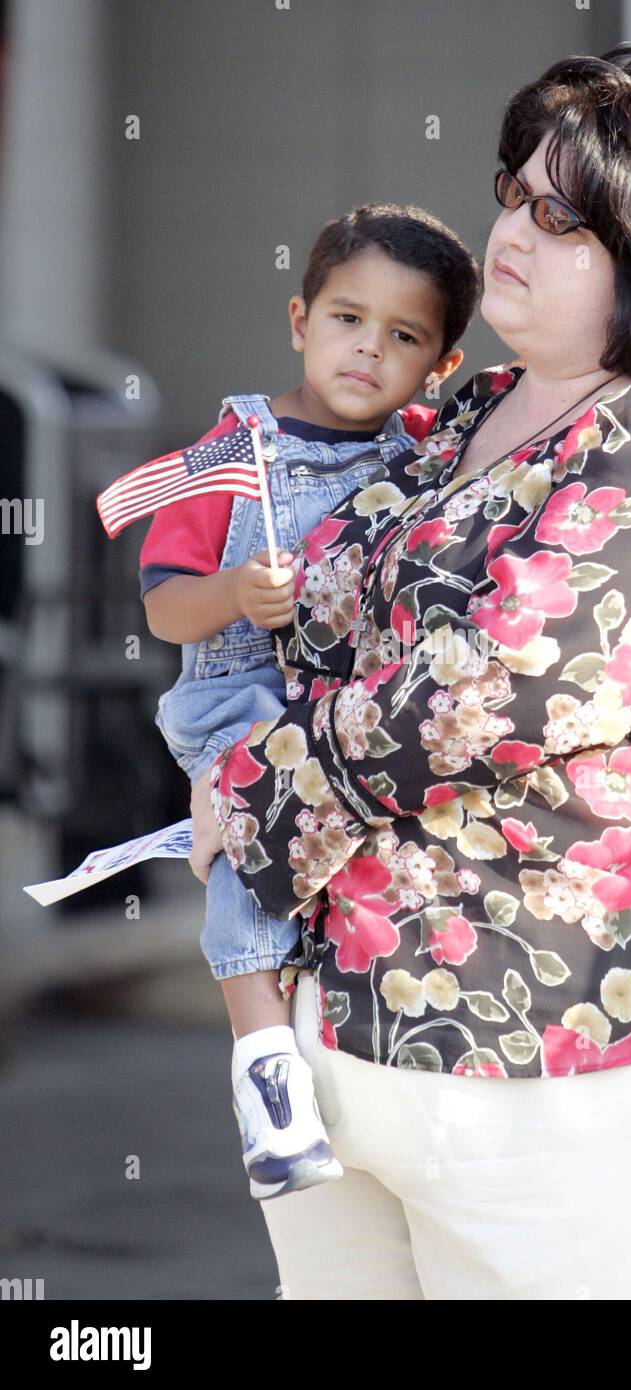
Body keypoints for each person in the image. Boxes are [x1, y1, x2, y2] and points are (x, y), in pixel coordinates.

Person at [189, 44, 631, 1298]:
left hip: (577, 1061)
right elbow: (314, 617)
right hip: (354, 1037)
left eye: (565, 218)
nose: (514, 229)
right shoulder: (464, 414)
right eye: (516, 194)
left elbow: (482, 693)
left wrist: (247, 793)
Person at [141, 203, 478, 1199]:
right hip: (243, 700)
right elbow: (162, 608)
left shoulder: (422, 454)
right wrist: (232, 596)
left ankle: (346, 1054)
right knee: (246, 859)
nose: (367, 350)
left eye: (402, 336)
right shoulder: (228, 450)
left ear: (440, 367)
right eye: (346, 318)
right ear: (299, 319)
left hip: (355, 717)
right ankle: (263, 1069)